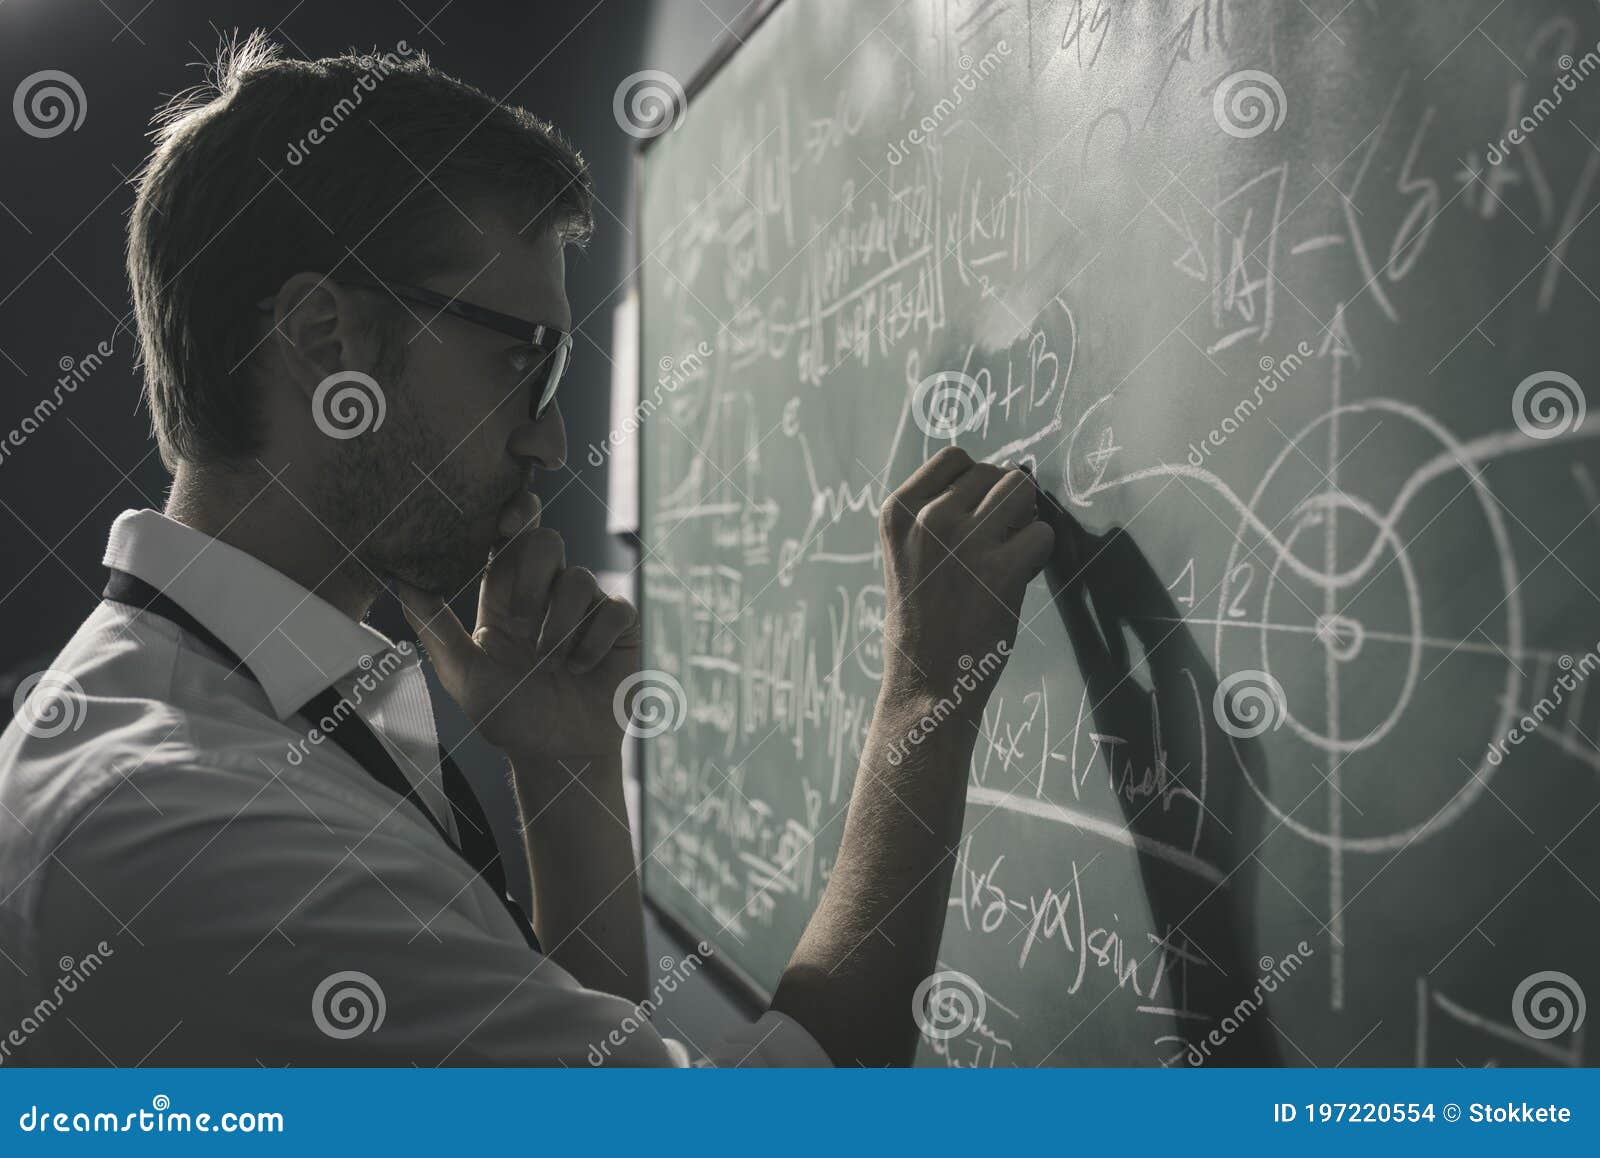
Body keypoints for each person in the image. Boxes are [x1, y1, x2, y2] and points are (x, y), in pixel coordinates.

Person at [0, 33, 1053, 1066]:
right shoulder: (204, 826)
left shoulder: (221, 708)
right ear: (327, 340)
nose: (549, 438)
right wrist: (924, 703)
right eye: (522, 360)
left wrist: (566, 769)